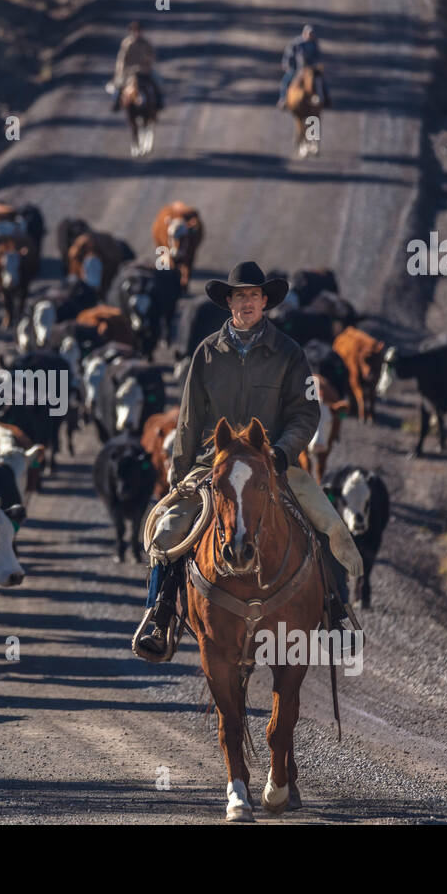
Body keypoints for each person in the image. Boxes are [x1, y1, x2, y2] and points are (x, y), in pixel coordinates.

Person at [132, 262, 365, 662]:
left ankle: (337, 614)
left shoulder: (289, 354)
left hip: (274, 463)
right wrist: (179, 474)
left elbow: (306, 413)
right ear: (229, 302)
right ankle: (160, 613)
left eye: (254, 296)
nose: (247, 303)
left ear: (265, 302)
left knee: (329, 526)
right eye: (240, 296)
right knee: (167, 532)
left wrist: (283, 450)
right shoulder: (206, 352)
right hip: (213, 465)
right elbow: (189, 418)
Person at [110, 21, 165, 112]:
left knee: (158, 82)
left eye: (138, 31)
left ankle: (160, 102)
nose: (136, 33)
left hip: (144, 71)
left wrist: (147, 63)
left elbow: (152, 57)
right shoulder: (126, 44)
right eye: (134, 31)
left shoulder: (146, 43)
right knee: (118, 85)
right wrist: (120, 72)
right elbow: (121, 60)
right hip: (129, 73)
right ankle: (116, 103)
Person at [277, 24, 329, 109]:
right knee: (286, 81)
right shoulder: (296, 43)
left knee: (321, 81)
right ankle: (284, 99)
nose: (310, 36)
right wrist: (286, 64)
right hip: (298, 68)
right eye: (309, 34)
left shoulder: (314, 43)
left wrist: (318, 65)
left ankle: (325, 99)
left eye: (312, 34)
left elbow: (318, 56)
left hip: (311, 69)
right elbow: (289, 55)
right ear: (304, 33)